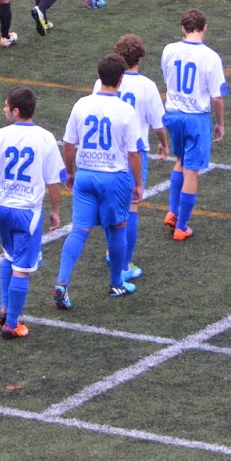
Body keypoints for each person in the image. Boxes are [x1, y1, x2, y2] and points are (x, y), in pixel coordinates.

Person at [53, 53, 146, 308]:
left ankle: (62, 282)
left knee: (79, 230)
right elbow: (133, 153)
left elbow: (69, 143)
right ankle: (116, 283)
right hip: (113, 178)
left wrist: (69, 172)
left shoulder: (81, 104)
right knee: (117, 229)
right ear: (120, 79)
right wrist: (137, 183)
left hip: (85, 175)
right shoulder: (125, 110)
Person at [0, 86, 66, 339]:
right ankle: (12, 324)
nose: (3, 109)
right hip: (27, 212)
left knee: (8, 254)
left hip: (2, 208)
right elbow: (54, 182)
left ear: (16, 111)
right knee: (22, 268)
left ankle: (5, 308)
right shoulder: (46, 138)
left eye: (5, 105)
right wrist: (56, 210)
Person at [100, 34, 169, 283]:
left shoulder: (103, 82)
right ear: (140, 57)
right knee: (131, 207)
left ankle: (112, 250)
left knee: (110, 206)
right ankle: (124, 264)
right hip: (133, 153)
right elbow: (158, 124)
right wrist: (163, 144)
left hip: (106, 151)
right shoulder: (147, 86)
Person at [160, 8, 227, 240]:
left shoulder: (169, 50)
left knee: (179, 161)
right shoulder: (210, 57)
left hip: (173, 114)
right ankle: (182, 226)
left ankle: (172, 212)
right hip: (196, 117)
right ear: (204, 27)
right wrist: (220, 123)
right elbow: (217, 97)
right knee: (192, 171)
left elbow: (166, 77)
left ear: (183, 28)